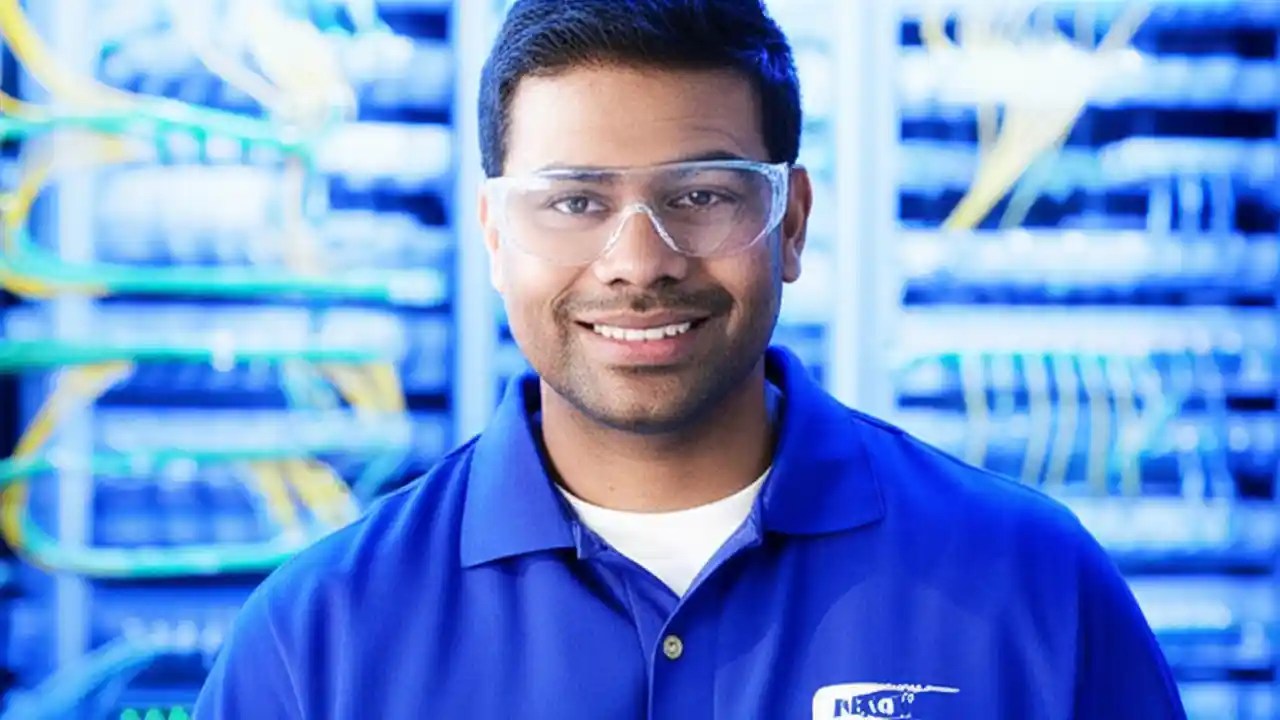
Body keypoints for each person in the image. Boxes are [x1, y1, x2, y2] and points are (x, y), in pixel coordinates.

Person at [194, 1, 1187, 717]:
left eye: (701, 195)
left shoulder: (1028, 584)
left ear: (789, 223)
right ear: (496, 237)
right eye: (574, 201)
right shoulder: (320, 639)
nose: (638, 263)